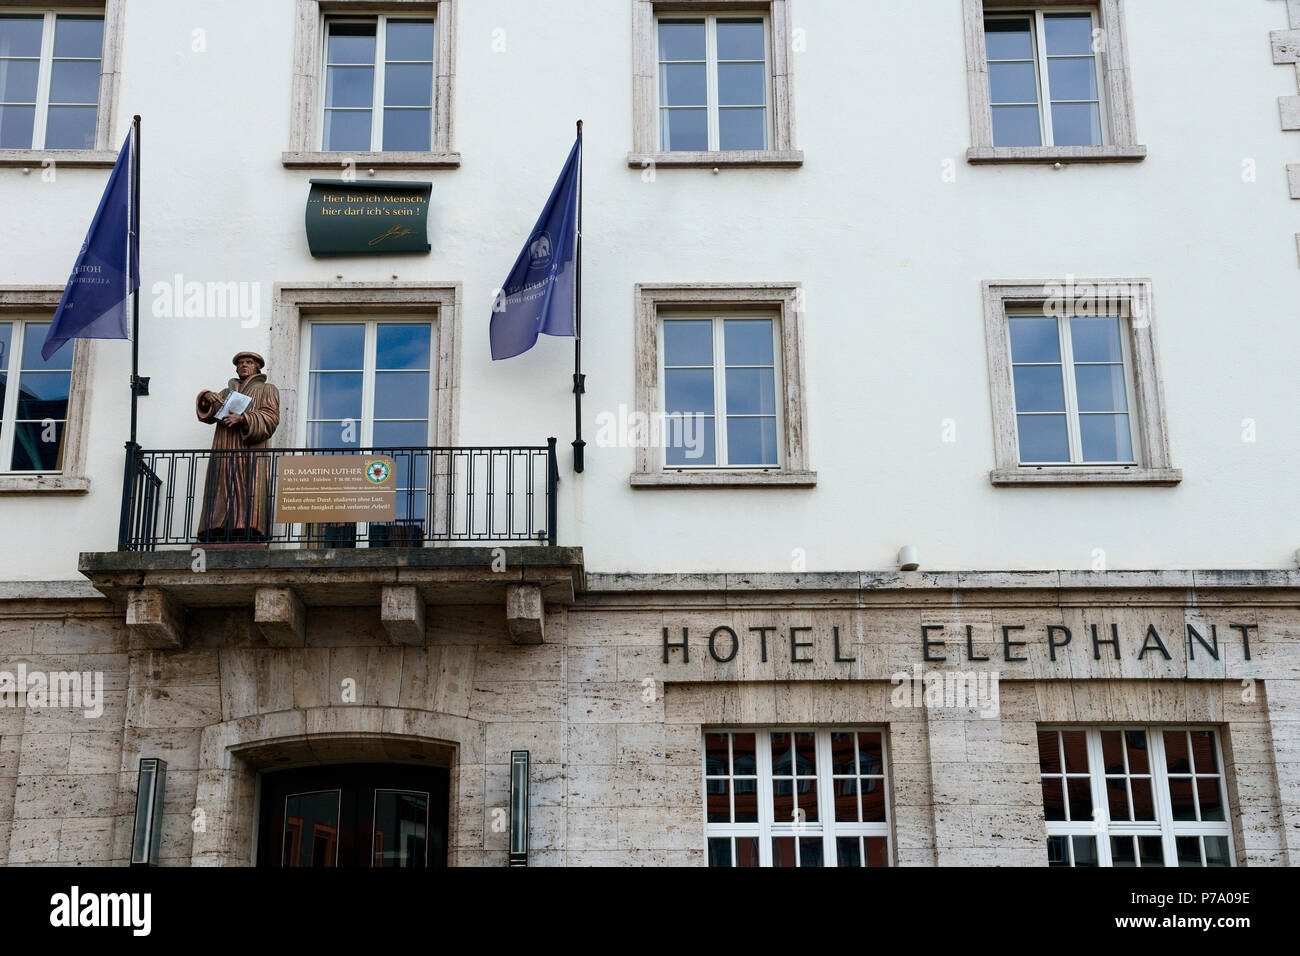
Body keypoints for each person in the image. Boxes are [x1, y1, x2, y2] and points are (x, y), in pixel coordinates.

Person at [195, 351, 280, 542]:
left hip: (250, 449)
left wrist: (244, 418)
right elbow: (209, 414)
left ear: (258, 367)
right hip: (224, 446)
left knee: (247, 487)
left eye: (249, 362)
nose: (244, 365)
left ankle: (248, 527)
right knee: (221, 488)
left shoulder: (267, 389)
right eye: (241, 363)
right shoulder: (226, 393)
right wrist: (206, 396)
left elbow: (271, 417)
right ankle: (216, 527)